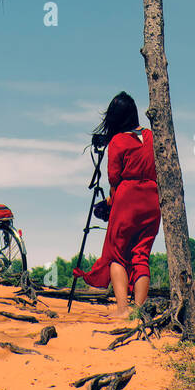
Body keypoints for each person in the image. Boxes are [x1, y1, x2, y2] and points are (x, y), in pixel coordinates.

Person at [72, 91, 161, 319]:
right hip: (152, 199)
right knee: (141, 255)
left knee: (118, 256)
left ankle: (122, 310)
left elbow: (114, 179)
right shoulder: (153, 136)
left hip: (127, 198)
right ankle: (138, 312)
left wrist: (112, 203)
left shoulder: (118, 141)